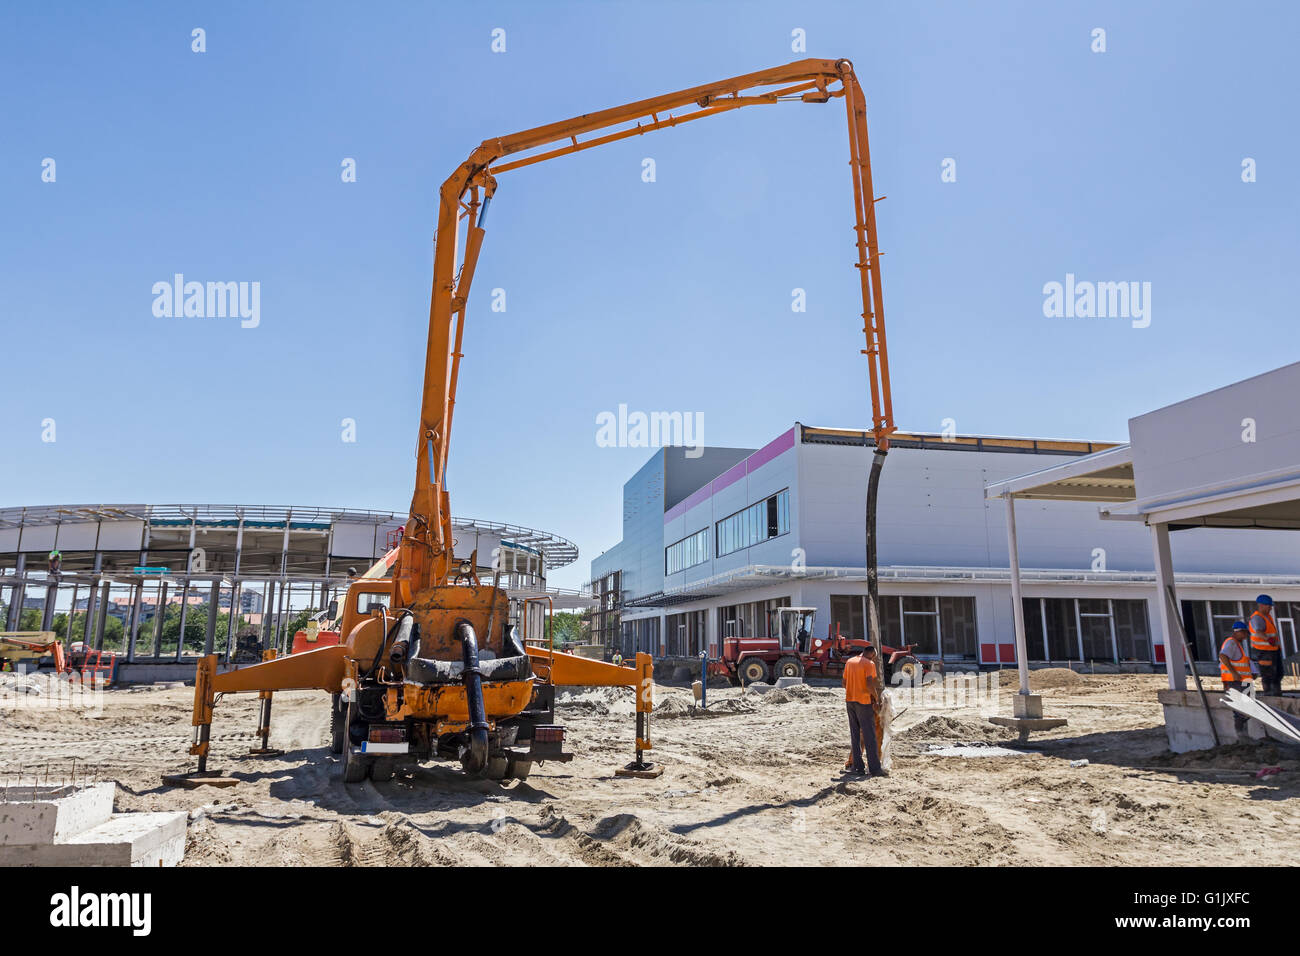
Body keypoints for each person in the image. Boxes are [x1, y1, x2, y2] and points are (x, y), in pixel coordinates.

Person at [842, 644, 884, 777]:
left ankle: (857, 767)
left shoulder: (849, 662)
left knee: (855, 735)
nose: (874, 660)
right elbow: (869, 683)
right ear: (871, 654)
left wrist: (853, 690)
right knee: (869, 735)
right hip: (864, 703)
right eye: (874, 657)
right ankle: (875, 769)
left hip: (850, 702)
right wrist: (876, 699)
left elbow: (844, 682)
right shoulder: (869, 663)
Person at [1218, 621, 1252, 736]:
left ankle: (1243, 735)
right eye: (1245, 633)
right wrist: (1234, 673)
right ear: (1240, 632)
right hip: (1236, 682)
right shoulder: (1231, 643)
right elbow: (1222, 656)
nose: (1246, 636)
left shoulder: (1235, 644)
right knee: (1240, 711)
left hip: (1239, 682)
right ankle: (1242, 736)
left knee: (1243, 710)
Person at [1248, 594, 1282, 697]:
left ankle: (1276, 693)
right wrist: (1268, 639)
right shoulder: (1257, 618)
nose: (1271, 608)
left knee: (1278, 673)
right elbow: (1258, 632)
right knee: (1268, 674)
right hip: (1263, 651)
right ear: (1261, 605)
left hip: (1272, 650)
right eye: (1269, 605)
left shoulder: (1267, 617)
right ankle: (1269, 694)